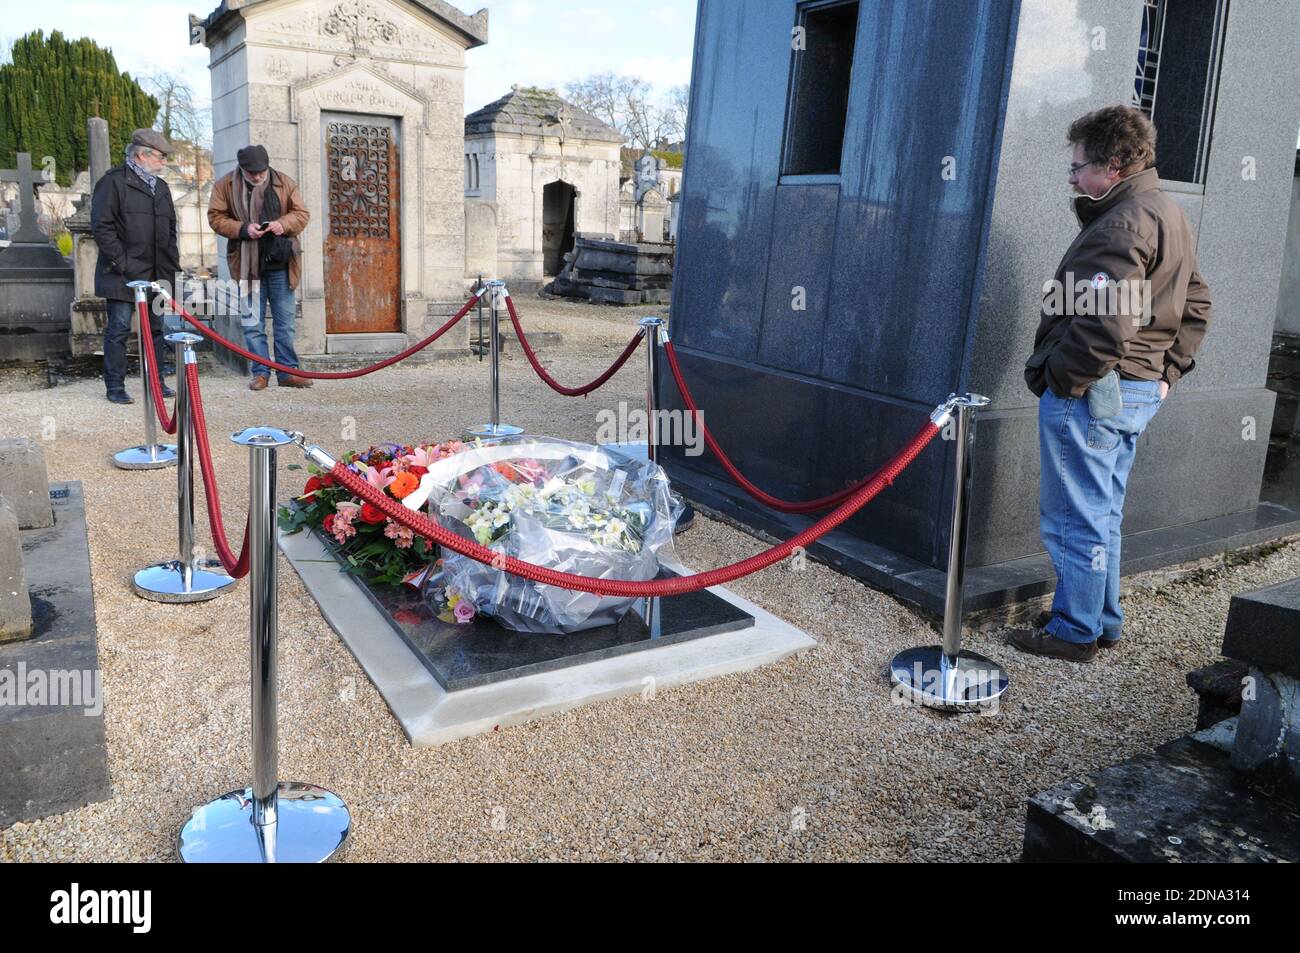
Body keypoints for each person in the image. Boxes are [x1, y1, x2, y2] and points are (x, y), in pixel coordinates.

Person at [1012, 105, 1211, 663]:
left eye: (1078, 167)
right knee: (1102, 513)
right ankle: (1100, 620)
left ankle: (1073, 631)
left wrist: (1061, 380)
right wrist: (1168, 373)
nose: (1072, 178)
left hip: (1096, 392)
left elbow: (1107, 322)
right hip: (1135, 389)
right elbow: (1197, 302)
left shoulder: (1124, 221)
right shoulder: (1167, 212)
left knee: (1075, 517)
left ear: (1115, 165)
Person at [207, 144, 312, 390]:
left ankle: (287, 372)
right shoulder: (225, 185)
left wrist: (282, 224)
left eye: (261, 171)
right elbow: (215, 217)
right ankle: (260, 372)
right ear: (242, 168)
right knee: (252, 323)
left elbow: (302, 214)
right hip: (246, 264)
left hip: (281, 263)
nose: (257, 176)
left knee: (284, 323)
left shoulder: (284, 182)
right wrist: (244, 229)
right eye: (251, 172)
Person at [91, 129, 179, 405]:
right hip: (122, 273)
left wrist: (171, 264)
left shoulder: (161, 187)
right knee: (118, 329)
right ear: (142, 155)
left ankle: (156, 382)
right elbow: (102, 227)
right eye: (160, 157)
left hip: (156, 272)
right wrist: (122, 262)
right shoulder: (113, 183)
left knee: (156, 329)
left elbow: (171, 228)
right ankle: (115, 386)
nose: (163, 162)